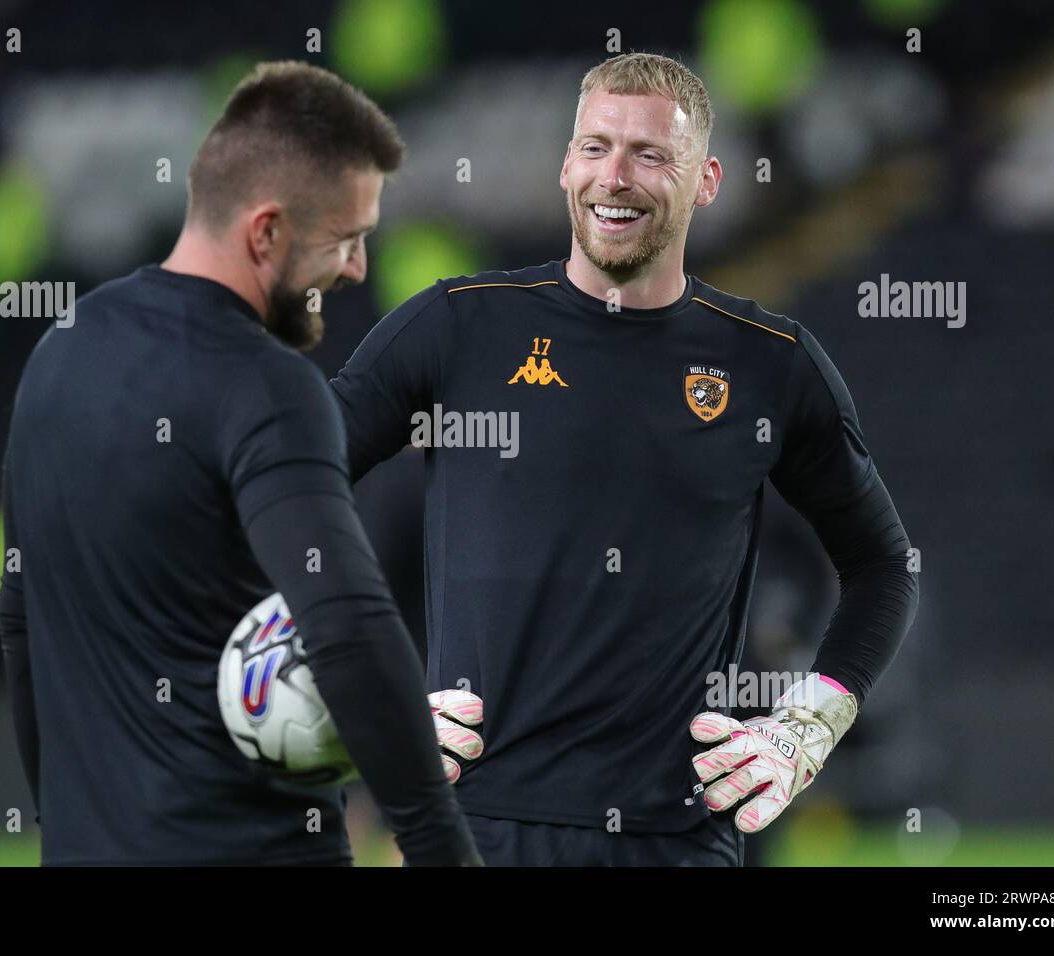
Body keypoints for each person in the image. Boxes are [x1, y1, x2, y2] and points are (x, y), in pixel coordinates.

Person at [331, 52, 919, 865]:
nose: (618, 176)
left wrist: (805, 727)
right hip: (475, 834)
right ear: (567, 165)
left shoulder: (770, 363)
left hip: (678, 841)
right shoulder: (456, 328)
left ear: (706, 180)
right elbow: (278, 492)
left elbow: (884, 565)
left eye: (651, 155)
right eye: (597, 147)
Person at [0, 61, 479, 866]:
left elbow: (21, 619)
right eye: (347, 238)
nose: (358, 267)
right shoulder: (268, 385)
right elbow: (348, 626)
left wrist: (65, 821)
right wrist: (439, 848)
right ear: (266, 232)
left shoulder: (62, 348)